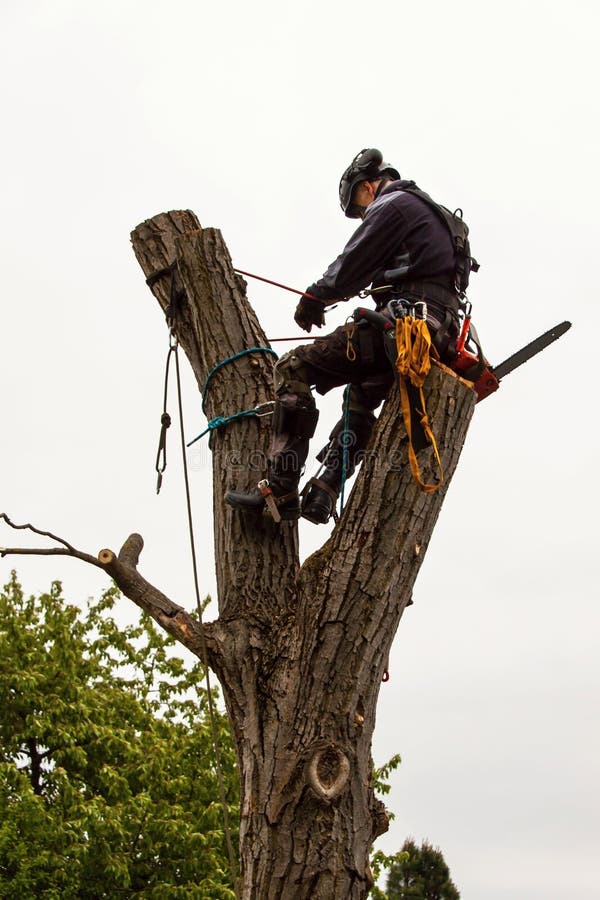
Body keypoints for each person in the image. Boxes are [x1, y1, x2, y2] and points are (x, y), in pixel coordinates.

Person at [225, 148, 477, 524]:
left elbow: (354, 261)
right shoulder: (436, 217)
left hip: (406, 327)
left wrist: (315, 296)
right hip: (433, 334)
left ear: (368, 183)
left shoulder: (395, 202)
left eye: (360, 204)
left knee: (293, 367)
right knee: (359, 398)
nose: (362, 214)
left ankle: (280, 486)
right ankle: (324, 490)